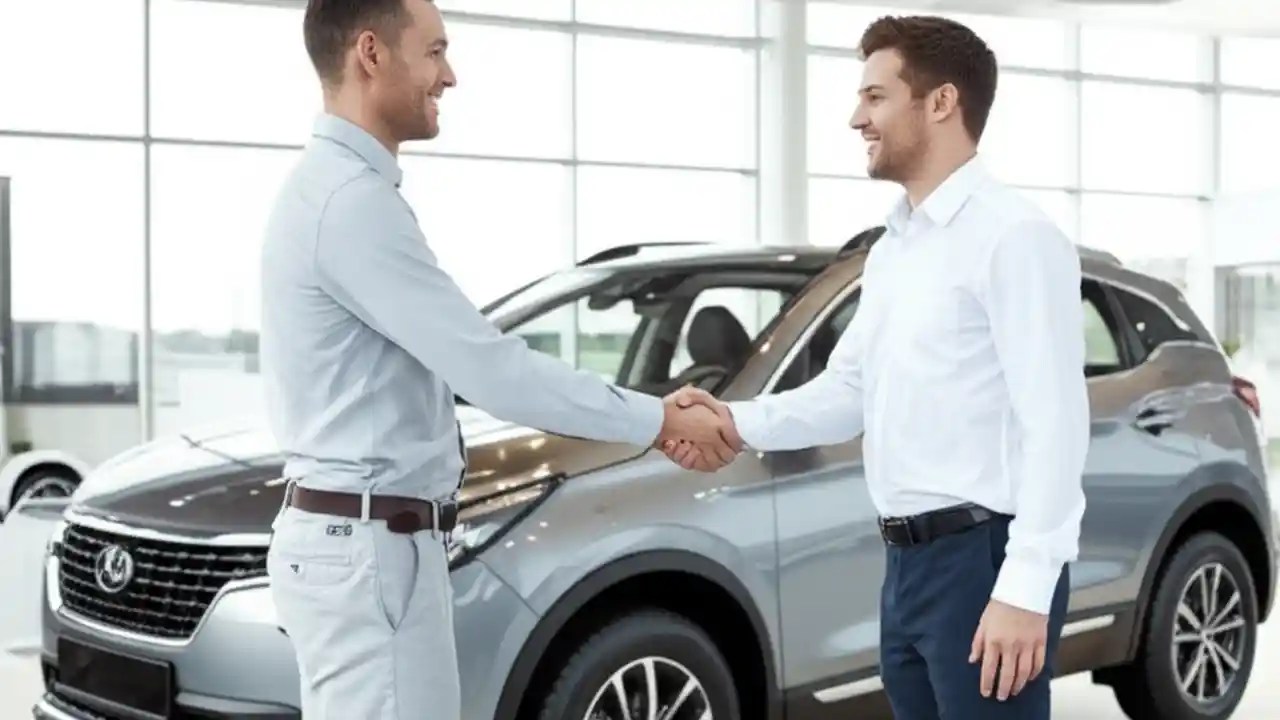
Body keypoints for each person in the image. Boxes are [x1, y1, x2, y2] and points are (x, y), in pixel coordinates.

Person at [258, 1, 739, 718]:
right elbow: (489, 368)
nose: (448, 76)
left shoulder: (336, 194)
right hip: (369, 549)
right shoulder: (350, 203)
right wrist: (658, 416)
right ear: (371, 53)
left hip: (371, 542)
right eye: (435, 52)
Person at [664, 14, 1089, 720]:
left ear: (942, 102)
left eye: (875, 96)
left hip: (982, 560)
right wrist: (734, 419)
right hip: (906, 564)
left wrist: (1025, 586)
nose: (855, 118)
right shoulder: (895, 249)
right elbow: (850, 388)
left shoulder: (1015, 236)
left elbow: (1055, 421)